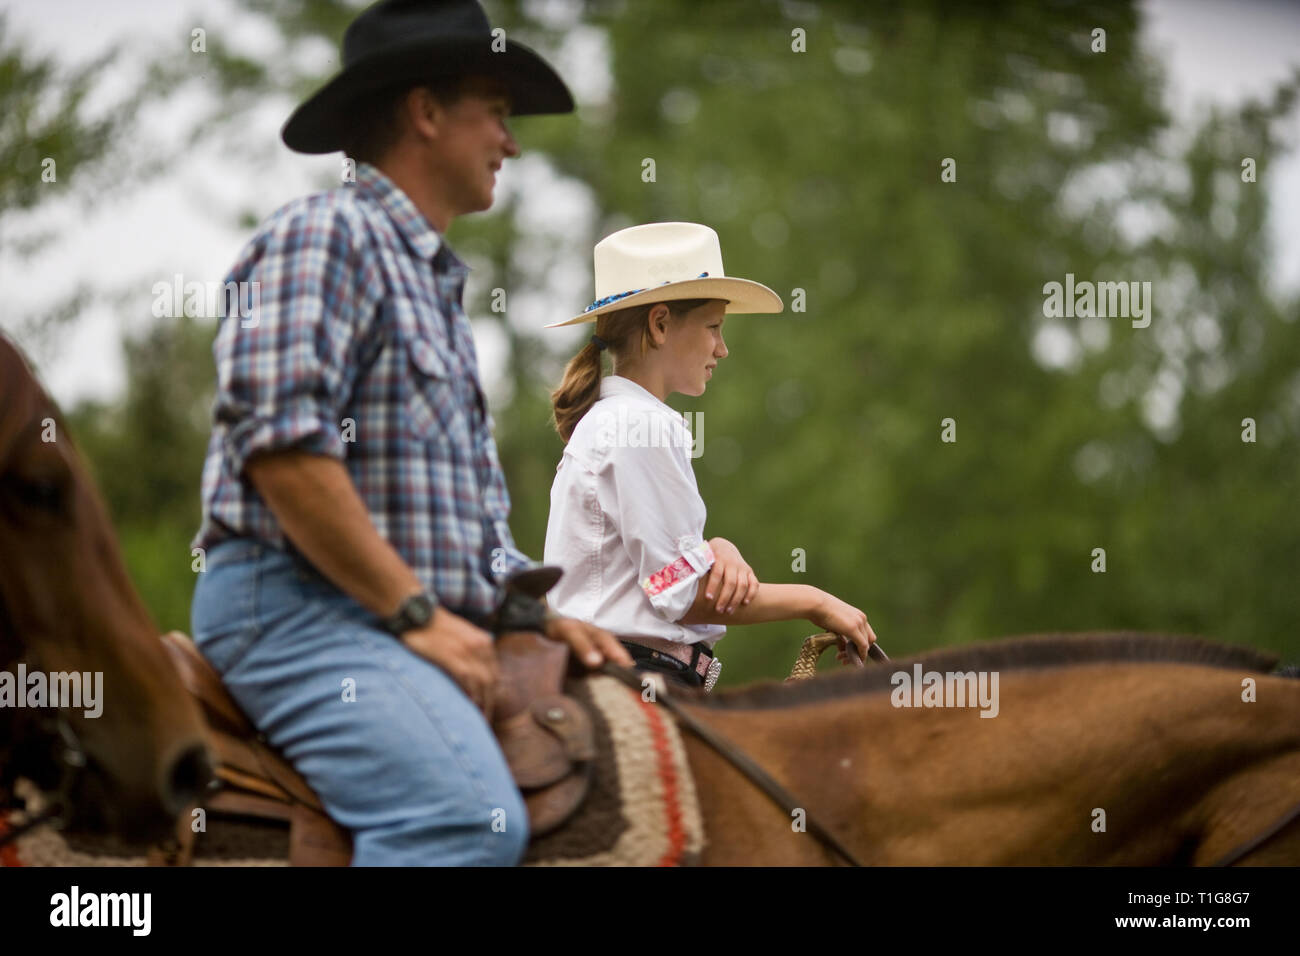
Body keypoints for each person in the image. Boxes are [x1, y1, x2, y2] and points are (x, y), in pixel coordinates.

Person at [190, 0, 630, 867]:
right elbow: (284, 453)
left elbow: (460, 527)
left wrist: (533, 618)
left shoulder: (429, 287)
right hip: (293, 612)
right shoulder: (325, 236)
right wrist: (416, 612)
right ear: (425, 113)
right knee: (463, 821)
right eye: (496, 114)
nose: (510, 143)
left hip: (378, 614)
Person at [543, 222, 878, 692]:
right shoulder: (639, 426)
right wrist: (816, 601)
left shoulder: (616, 421)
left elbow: (661, 572)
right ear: (660, 324)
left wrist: (714, 550)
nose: (722, 348)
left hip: (609, 675)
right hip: (630, 680)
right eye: (714, 327)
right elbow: (679, 593)